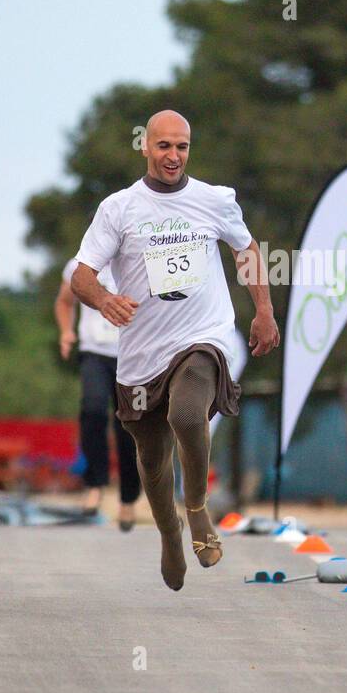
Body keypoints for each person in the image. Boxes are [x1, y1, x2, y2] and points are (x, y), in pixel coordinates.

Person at [71, 110, 279, 590]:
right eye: (164, 146)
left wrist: (264, 311)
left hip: (201, 337)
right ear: (145, 146)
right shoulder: (119, 209)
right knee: (150, 454)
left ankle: (198, 509)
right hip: (143, 352)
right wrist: (104, 299)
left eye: (182, 147)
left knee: (189, 415)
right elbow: (81, 275)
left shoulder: (214, 200)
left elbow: (246, 251)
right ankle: (169, 533)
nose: (173, 156)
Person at [55, 254, 141, 530]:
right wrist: (66, 332)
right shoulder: (78, 267)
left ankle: (128, 500)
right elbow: (64, 301)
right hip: (94, 352)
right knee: (92, 410)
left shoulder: (138, 259)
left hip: (132, 353)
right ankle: (94, 484)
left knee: (128, 425)